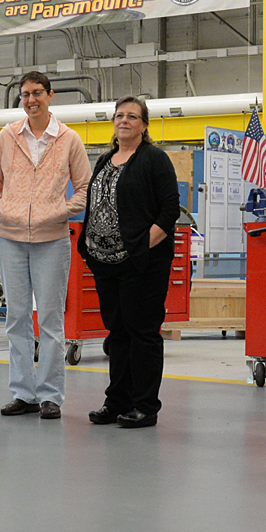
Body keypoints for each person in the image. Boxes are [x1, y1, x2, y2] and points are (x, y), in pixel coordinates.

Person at [0, 72, 91, 419]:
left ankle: (50, 396)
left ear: (50, 95)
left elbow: (84, 189)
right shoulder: (8, 136)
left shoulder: (69, 139)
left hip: (52, 240)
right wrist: (3, 210)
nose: (31, 100)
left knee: (50, 320)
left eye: (37, 93)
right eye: (25, 94)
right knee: (16, 317)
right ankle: (23, 392)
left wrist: (57, 212)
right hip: (9, 239)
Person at [79, 96, 180, 429]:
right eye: (119, 116)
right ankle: (117, 400)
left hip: (143, 263)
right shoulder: (105, 160)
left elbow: (169, 212)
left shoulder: (154, 159)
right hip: (106, 263)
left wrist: (141, 246)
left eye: (132, 117)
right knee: (117, 332)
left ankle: (145, 405)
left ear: (144, 125)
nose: (124, 121)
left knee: (143, 332)